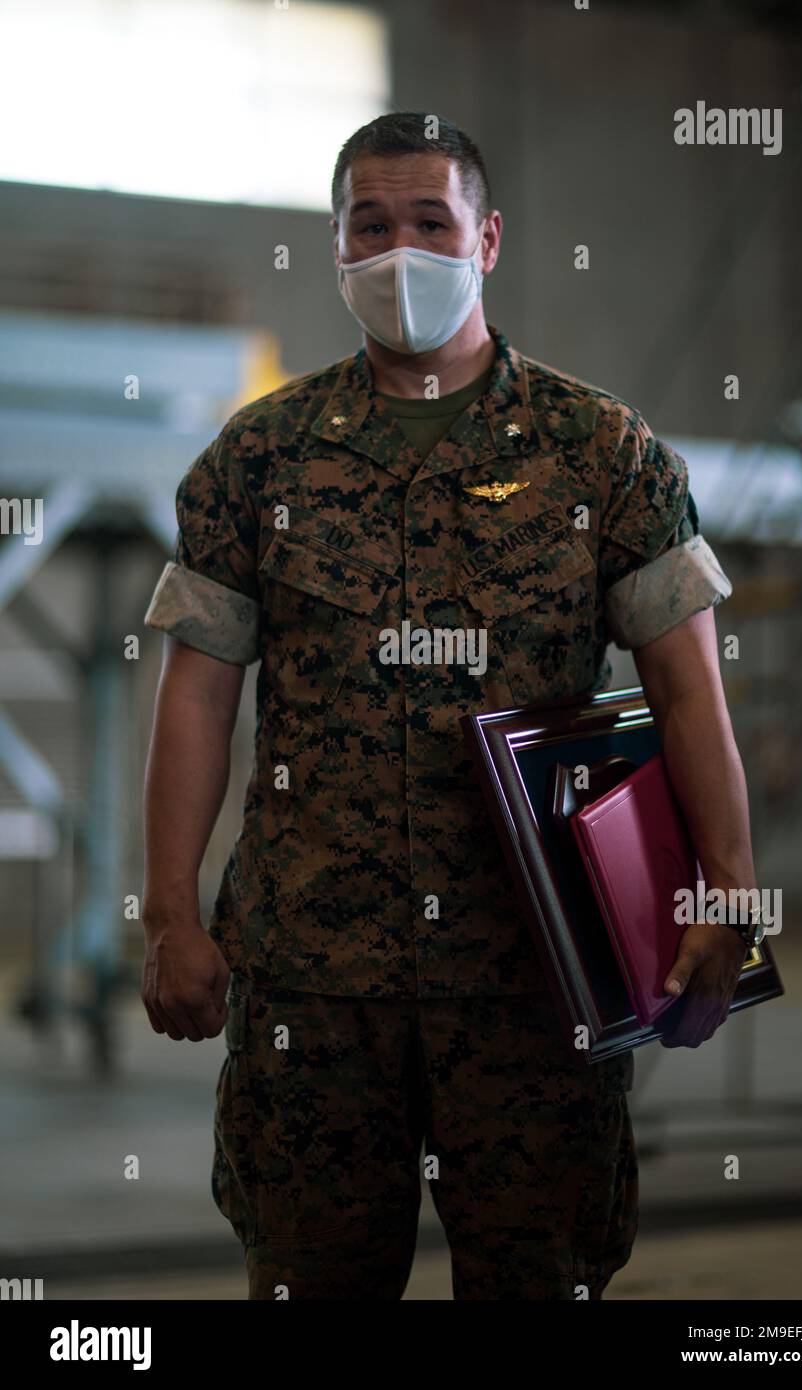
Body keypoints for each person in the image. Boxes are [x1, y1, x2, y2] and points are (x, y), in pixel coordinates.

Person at [141, 112, 755, 1301]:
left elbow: (688, 691)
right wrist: (168, 910)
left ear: (486, 240)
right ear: (333, 246)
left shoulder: (601, 452)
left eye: (430, 221)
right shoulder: (255, 462)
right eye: (369, 224)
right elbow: (196, 701)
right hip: (315, 993)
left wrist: (727, 886)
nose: (399, 248)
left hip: (536, 980)